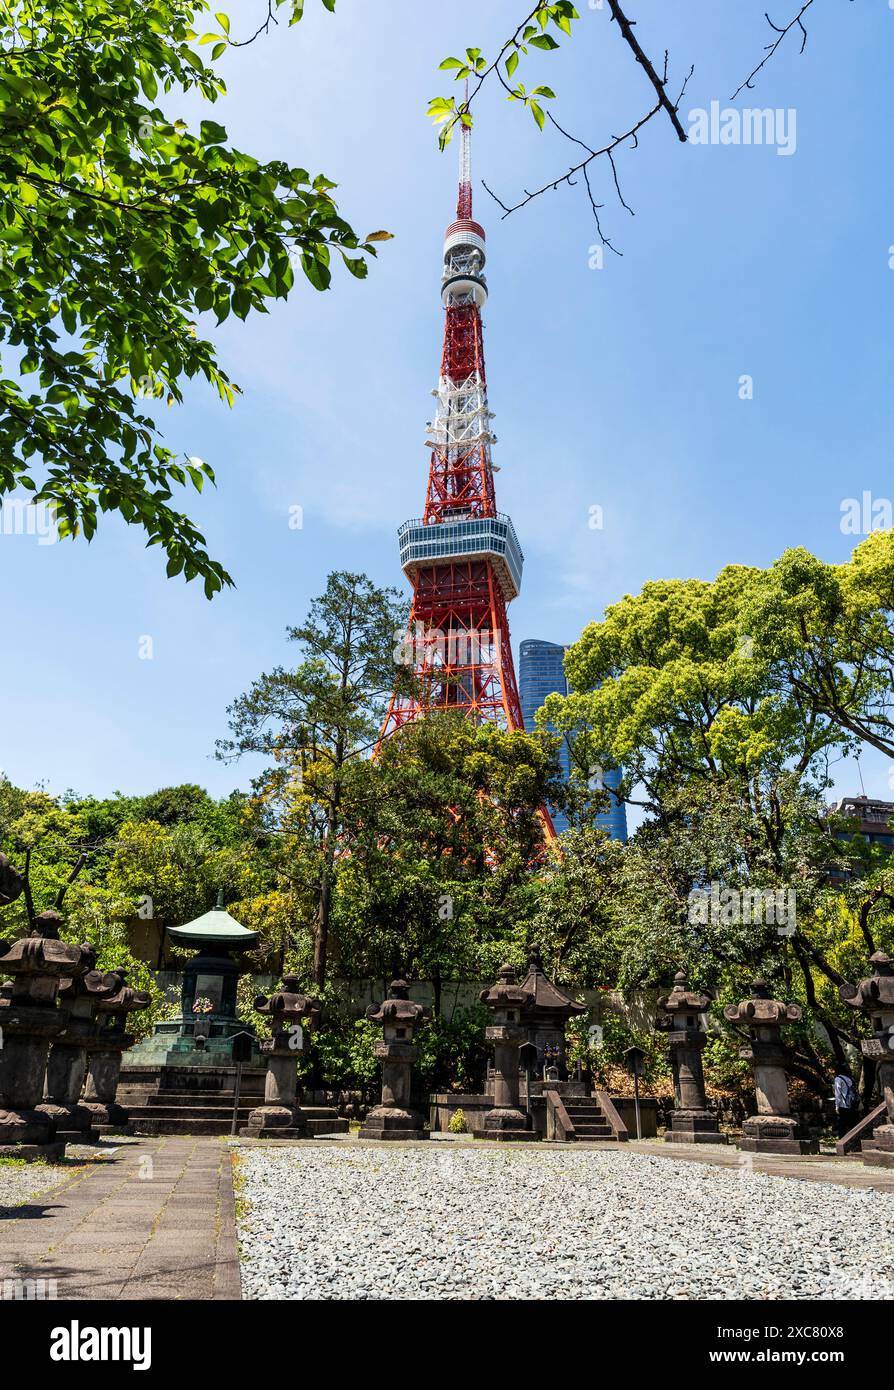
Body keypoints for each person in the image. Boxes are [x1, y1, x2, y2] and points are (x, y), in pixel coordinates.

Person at [833, 1067, 859, 1139]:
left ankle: (842, 1142)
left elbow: (837, 1094)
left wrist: (836, 1106)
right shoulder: (849, 1078)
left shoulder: (838, 1079)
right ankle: (855, 1141)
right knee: (852, 1124)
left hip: (843, 1105)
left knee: (841, 1126)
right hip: (852, 1104)